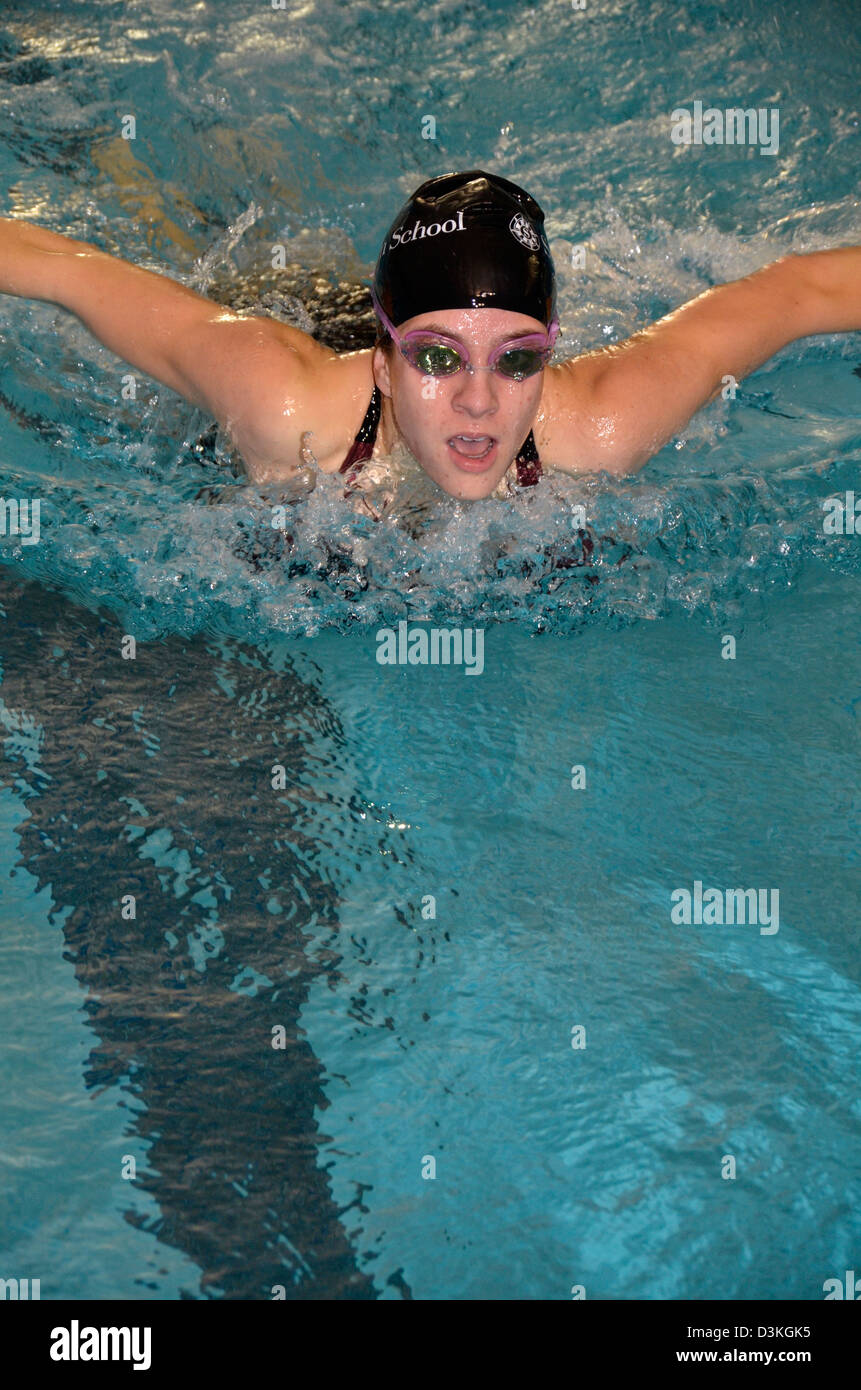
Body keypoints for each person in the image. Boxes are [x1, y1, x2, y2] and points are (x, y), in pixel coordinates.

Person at [1, 169, 859, 507]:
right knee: (208, 231)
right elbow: (69, 271)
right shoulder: (283, 401)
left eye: (517, 358)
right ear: (385, 359)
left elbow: (790, 295)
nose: (480, 400)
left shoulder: (601, 425)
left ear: (548, 354)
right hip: (307, 325)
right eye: (439, 357)